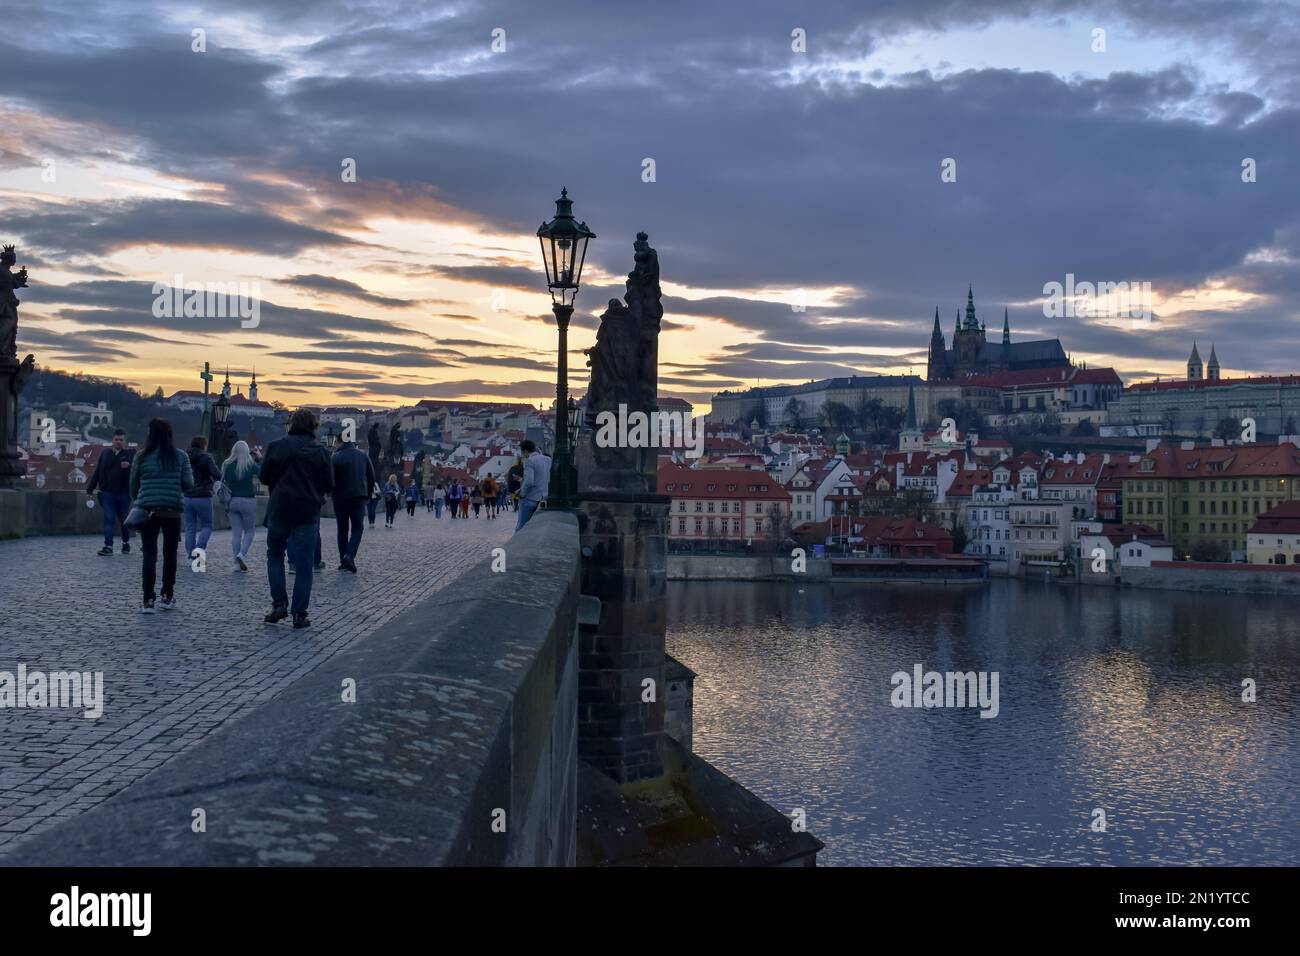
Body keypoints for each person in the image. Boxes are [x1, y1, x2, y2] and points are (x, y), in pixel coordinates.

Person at [260, 408, 333, 629]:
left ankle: (279, 604)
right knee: (304, 564)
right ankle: (299, 614)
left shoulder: (276, 446)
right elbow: (329, 485)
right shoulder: (320, 451)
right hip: (307, 512)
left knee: (275, 555)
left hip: (279, 508)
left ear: (291, 425)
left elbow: (263, 476)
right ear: (314, 427)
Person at [129, 418, 194, 612]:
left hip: (148, 510)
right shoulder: (181, 456)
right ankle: (167, 595)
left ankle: (148, 600)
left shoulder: (141, 456)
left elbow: (133, 484)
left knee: (149, 555)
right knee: (170, 554)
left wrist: (140, 500)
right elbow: (188, 484)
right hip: (172, 511)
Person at [86, 428, 135, 556]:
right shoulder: (105, 454)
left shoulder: (130, 453)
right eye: (116, 439)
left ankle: (126, 543)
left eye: (121, 440)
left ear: (125, 441)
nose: (118, 442)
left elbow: (136, 469)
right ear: (112, 440)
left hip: (123, 493)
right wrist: (90, 489)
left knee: (124, 520)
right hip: (106, 492)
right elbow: (98, 471)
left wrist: (129, 465)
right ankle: (108, 546)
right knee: (109, 519)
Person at [332, 432, 375, 573]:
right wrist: (367, 494)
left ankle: (343, 559)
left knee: (342, 530)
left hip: (339, 498)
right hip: (358, 497)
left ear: (339, 442)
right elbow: (371, 477)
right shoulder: (363, 455)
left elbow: (330, 478)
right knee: (357, 528)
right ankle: (349, 555)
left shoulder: (335, 457)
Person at [221, 440, 260, 571]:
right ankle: (241, 555)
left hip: (232, 501)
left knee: (236, 533)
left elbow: (223, 480)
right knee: (249, 531)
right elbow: (263, 473)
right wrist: (259, 458)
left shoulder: (227, 464)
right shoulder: (250, 464)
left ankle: (236, 564)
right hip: (248, 501)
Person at [183, 436, 222, 561]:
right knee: (207, 525)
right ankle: (198, 550)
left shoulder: (184, 457)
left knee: (190, 527)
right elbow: (217, 474)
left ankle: (190, 555)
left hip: (187, 496)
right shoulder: (206, 457)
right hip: (203, 496)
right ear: (203, 445)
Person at [515, 439, 551, 531]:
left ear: (526, 451)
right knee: (536, 529)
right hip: (543, 499)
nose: (523, 456)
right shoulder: (548, 460)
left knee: (522, 527)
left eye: (522, 453)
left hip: (530, 499)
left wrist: (522, 493)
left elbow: (529, 482)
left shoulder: (529, 461)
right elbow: (544, 479)